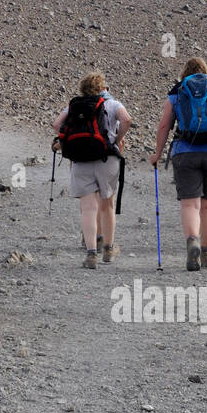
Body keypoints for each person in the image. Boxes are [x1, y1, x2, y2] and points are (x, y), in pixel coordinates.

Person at [149, 58, 207, 271]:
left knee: (190, 205)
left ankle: (193, 241)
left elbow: (163, 126)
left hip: (185, 153)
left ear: (184, 74)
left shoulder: (177, 94)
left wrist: (157, 153)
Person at [52, 73, 131, 269]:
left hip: (80, 160)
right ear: (103, 87)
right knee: (107, 206)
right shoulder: (112, 104)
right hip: (107, 158)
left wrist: (68, 140)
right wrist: (116, 139)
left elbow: (56, 124)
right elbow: (127, 120)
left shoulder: (73, 105)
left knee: (88, 209)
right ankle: (108, 249)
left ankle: (90, 254)